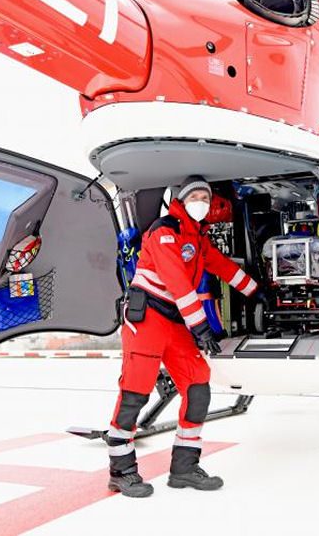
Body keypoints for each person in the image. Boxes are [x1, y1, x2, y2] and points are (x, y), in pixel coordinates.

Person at [106, 175, 262, 498]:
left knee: (198, 387)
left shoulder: (196, 237)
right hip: (147, 319)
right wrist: (201, 327)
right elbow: (177, 282)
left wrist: (256, 291)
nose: (201, 203)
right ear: (181, 200)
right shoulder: (164, 231)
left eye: (206, 198)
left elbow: (221, 265)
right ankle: (121, 471)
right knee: (135, 393)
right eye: (195, 198)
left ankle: (184, 468)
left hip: (174, 321)